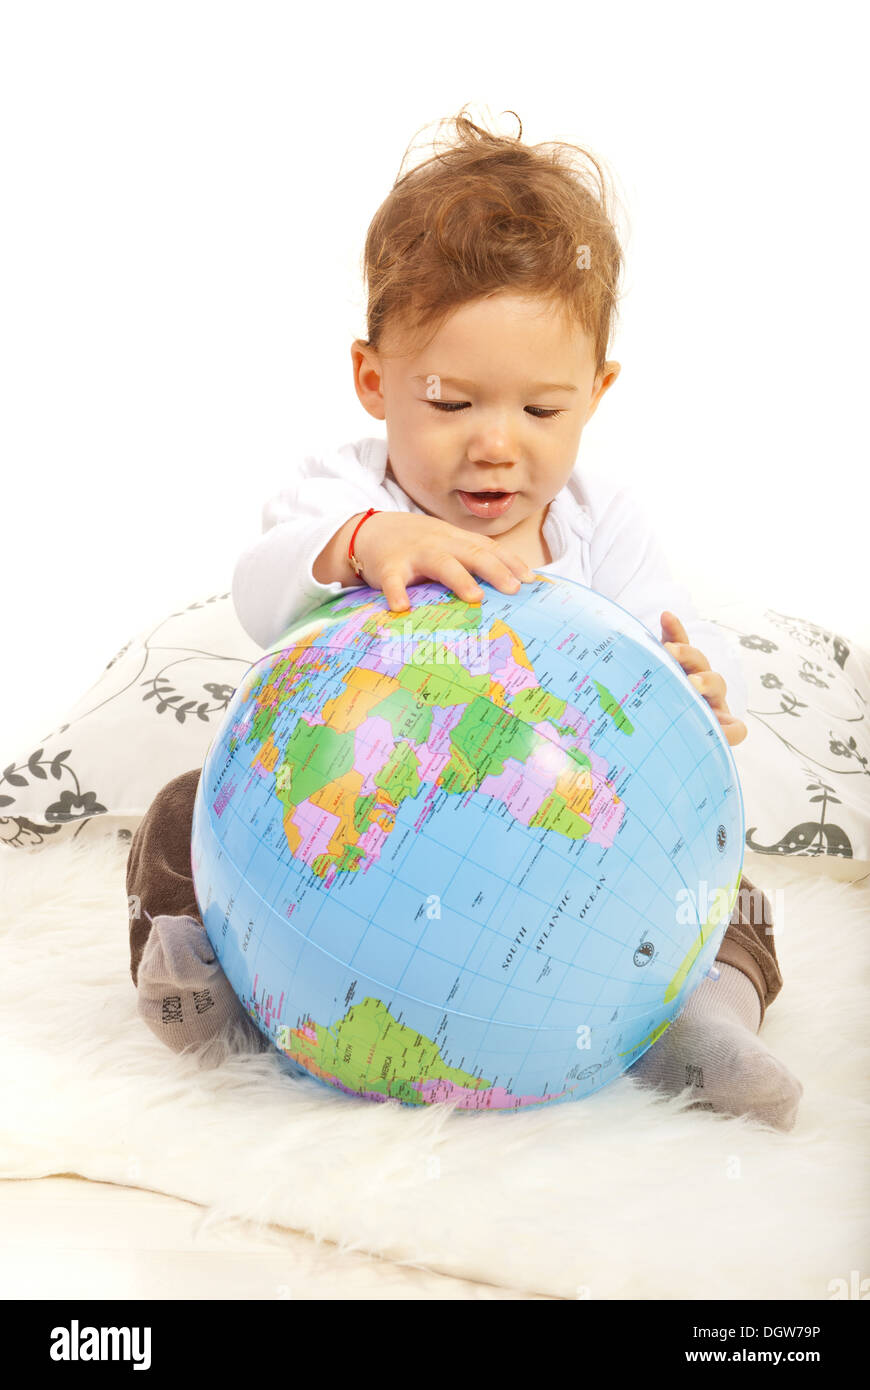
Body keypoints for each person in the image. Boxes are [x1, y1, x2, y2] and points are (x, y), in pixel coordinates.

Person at [127, 109, 802, 1129]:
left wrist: (704, 686)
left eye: (540, 411)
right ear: (374, 380)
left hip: (555, 857)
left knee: (730, 884)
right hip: (353, 834)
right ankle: (202, 973)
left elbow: (682, 671)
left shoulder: (598, 522)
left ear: (597, 394)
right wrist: (361, 543)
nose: (496, 446)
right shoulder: (340, 492)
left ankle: (708, 1020)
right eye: (450, 404)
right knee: (181, 805)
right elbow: (261, 590)